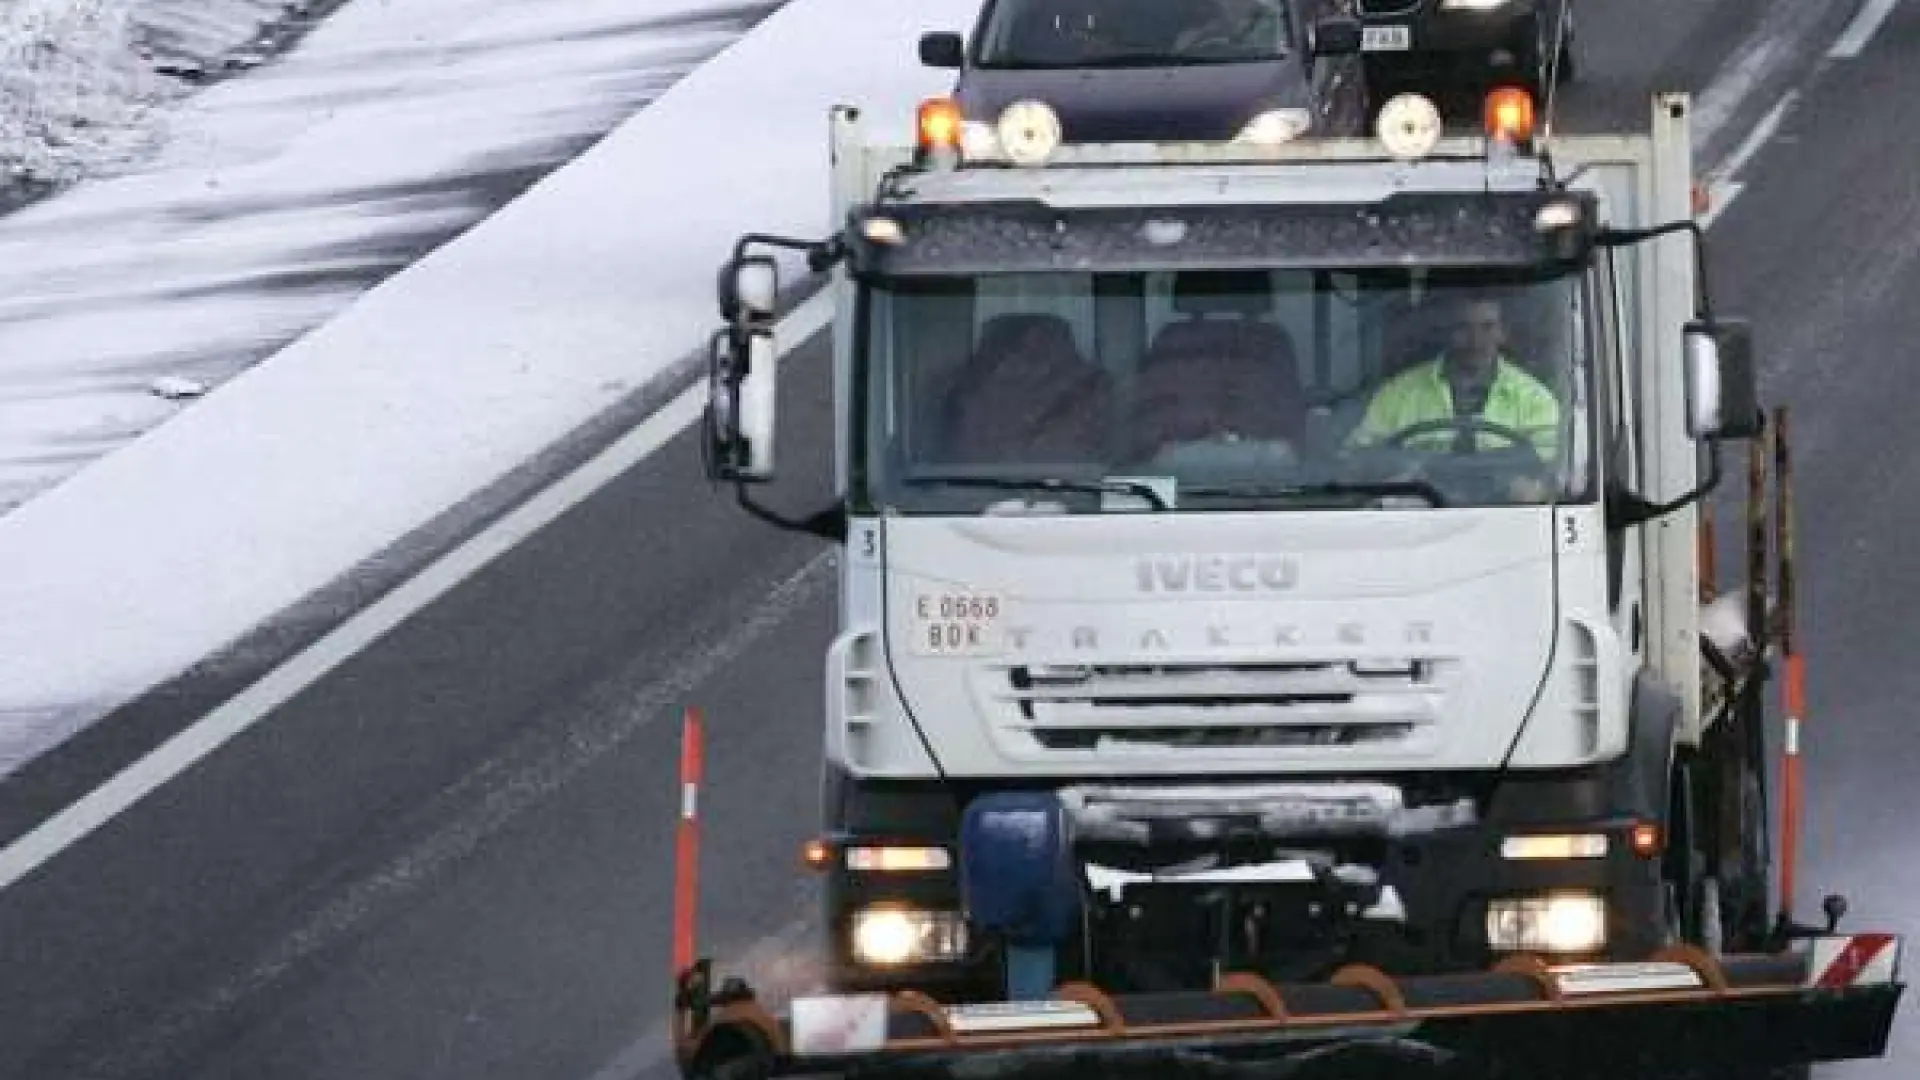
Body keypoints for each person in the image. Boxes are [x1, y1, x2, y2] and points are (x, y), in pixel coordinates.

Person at [1348, 294, 1561, 495]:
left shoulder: (1535, 399)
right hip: (1419, 510)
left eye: (1487, 328)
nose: (1475, 341)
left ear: (1502, 333)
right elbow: (1358, 457)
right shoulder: (1398, 393)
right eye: (1463, 328)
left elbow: (1552, 464)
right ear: (1447, 332)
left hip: (1504, 514)